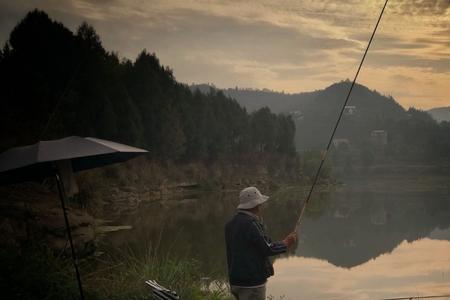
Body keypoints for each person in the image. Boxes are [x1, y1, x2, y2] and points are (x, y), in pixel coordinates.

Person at [225, 186, 297, 300]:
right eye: (260, 204)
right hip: (252, 283)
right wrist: (286, 243)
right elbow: (267, 248)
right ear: (255, 205)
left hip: (236, 281)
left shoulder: (230, 224)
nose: (261, 206)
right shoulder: (251, 224)